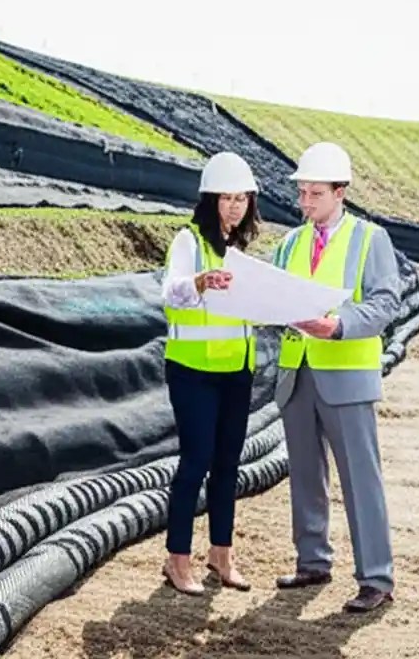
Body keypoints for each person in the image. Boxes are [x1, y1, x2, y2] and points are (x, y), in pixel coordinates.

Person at [270, 141, 401, 613]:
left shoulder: (370, 239)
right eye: (302, 193)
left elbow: (387, 302)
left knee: (361, 481)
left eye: (314, 195)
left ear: (340, 192)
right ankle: (313, 561)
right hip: (298, 374)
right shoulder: (289, 243)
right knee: (305, 476)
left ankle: (376, 579)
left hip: (346, 375)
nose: (305, 203)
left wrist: (339, 325)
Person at [159, 151, 262, 595]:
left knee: (227, 465)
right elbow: (170, 292)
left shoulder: (240, 250)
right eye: (228, 198)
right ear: (210, 199)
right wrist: (200, 282)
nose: (236, 206)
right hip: (193, 372)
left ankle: (222, 553)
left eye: (243, 199)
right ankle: (177, 560)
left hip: (236, 372)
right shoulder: (189, 242)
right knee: (195, 461)